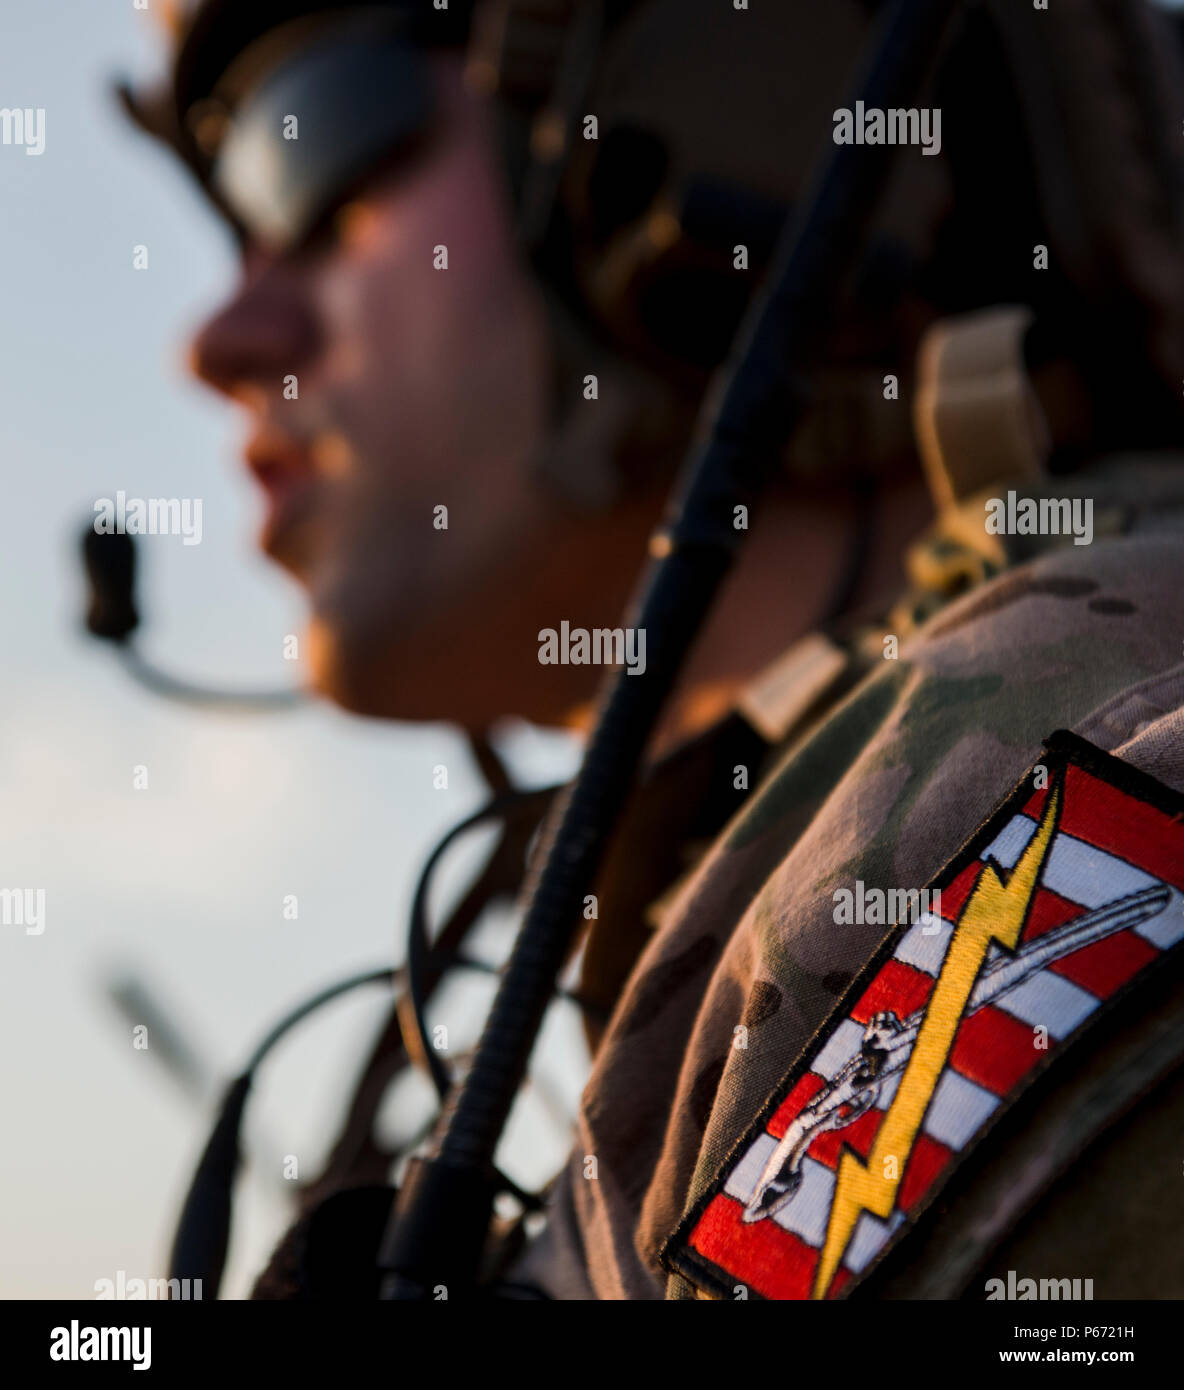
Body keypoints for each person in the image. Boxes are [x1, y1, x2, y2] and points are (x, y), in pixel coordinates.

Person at [121, 0, 1184, 1299]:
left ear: (726, 101)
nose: (219, 340)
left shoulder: (1059, 762)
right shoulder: (783, 861)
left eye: (306, 147)